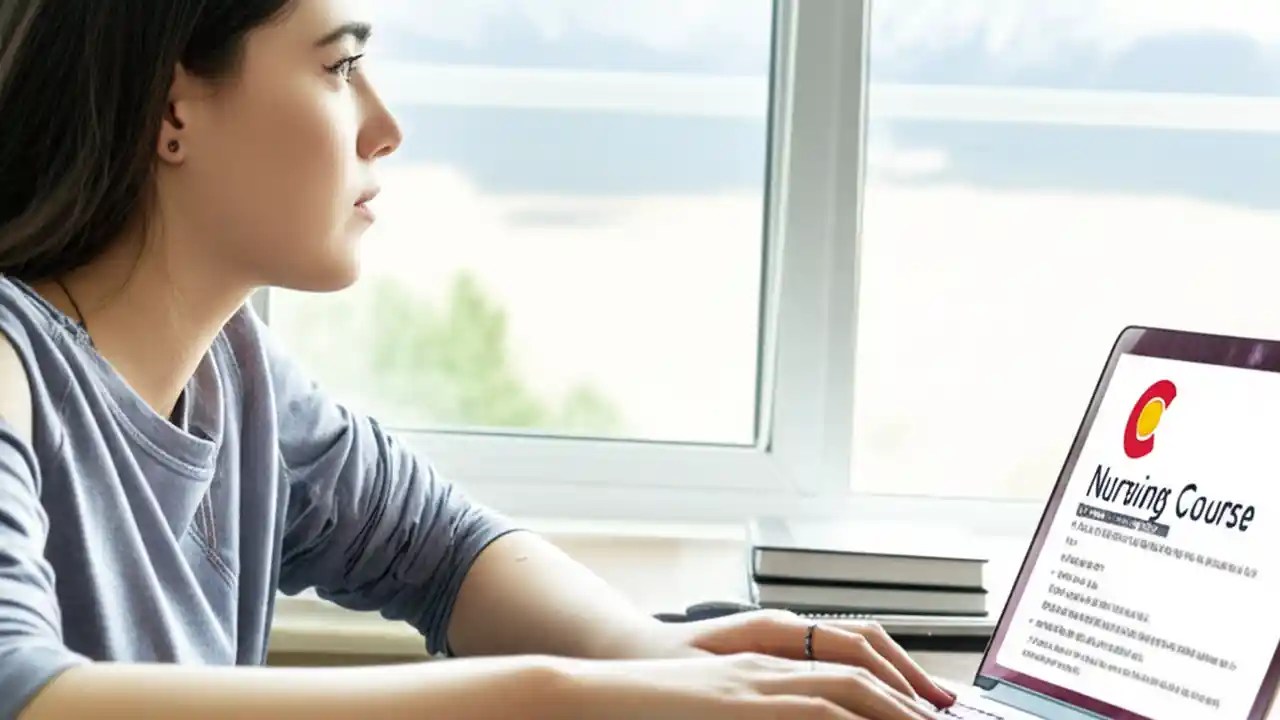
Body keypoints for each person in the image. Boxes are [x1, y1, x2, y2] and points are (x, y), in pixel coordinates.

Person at [0, 2, 956, 718]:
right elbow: (25, 690)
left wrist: (655, 655)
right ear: (175, 109)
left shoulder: (237, 374)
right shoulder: (10, 362)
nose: (386, 124)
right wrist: (560, 693)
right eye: (340, 67)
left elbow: (445, 552)